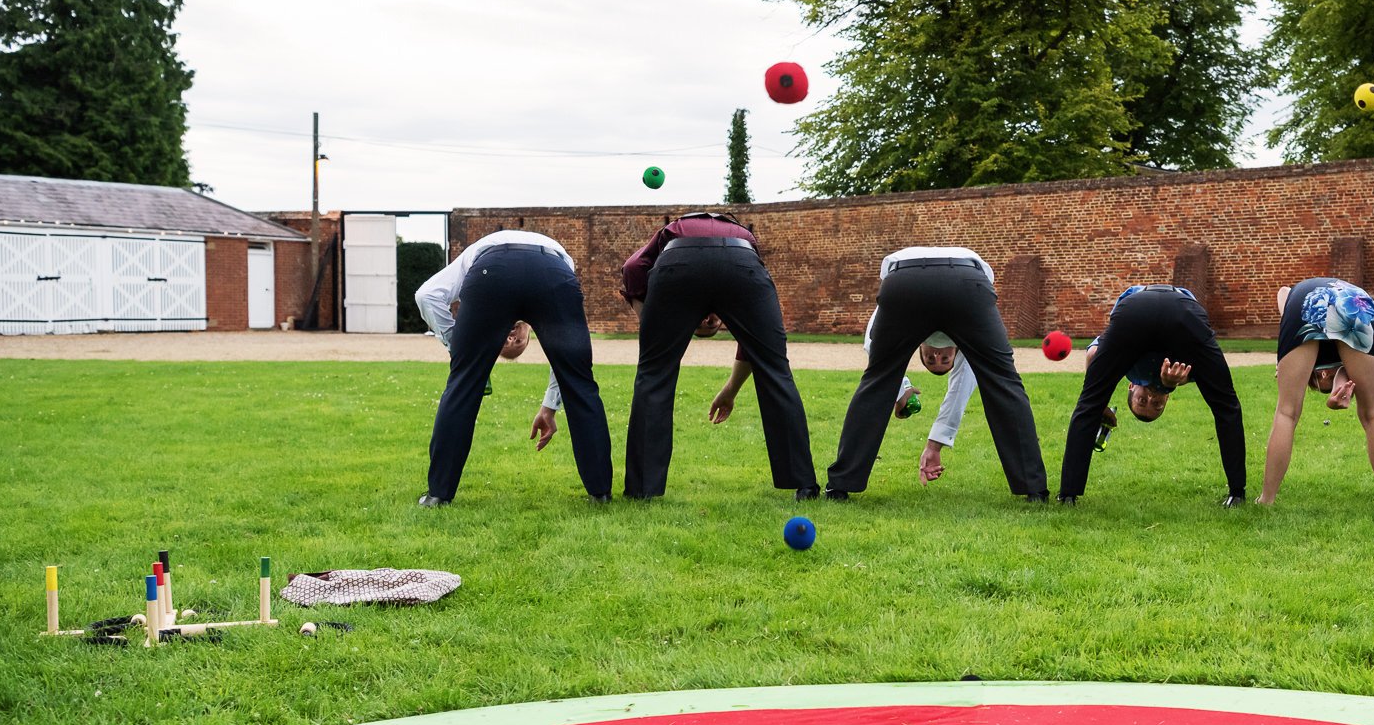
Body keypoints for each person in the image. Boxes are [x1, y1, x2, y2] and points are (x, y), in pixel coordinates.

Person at [618, 211, 819, 500]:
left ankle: (641, 489)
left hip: (680, 260)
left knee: (654, 373)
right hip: (740, 259)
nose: (709, 319)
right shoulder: (743, 236)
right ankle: (805, 485)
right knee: (775, 368)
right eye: (708, 323)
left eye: (707, 323)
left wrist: (648, 320)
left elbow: (633, 266)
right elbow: (757, 344)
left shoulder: (677, 228)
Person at [822, 246, 1049, 500]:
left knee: (876, 381)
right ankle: (1035, 488)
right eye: (935, 358)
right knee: (1004, 381)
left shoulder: (963, 349)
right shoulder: (965, 336)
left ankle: (840, 485)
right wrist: (902, 388)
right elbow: (873, 348)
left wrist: (934, 440)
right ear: (918, 348)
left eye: (939, 359)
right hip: (966, 283)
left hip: (906, 281)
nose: (937, 356)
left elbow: (877, 354)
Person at [413, 229, 611, 506]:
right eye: (514, 343)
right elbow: (566, 364)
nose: (511, 338)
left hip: (492, 271)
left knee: (463, 385)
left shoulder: (478, 250)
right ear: (528, 333)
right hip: (551, 270)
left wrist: (457, 347)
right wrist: (549, 406)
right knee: (579, 382)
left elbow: (426, 296)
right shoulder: (561, 259)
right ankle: (600, 493)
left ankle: (438, 495)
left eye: (511, 343)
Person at [1057, 284, 1246, 505]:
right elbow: (1197, 372)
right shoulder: (1173, 375)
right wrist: (1172, 383)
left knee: (1087, 405)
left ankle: (1068, 494)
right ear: (1167, 398)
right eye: (1156, 404)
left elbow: (1094, 352)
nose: (1150, 397)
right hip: (1182, 312)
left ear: (1131, 387)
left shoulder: (1129, 370)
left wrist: (1099, 404)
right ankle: (1237, 493)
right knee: (1226, 404)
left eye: (1142, 401)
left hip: (1137, 309)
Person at [1257, 278, 1374, 505]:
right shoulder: (1336, 368)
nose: (1331, 380)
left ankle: (1266, 499)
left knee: (1286, 413)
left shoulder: (1333, 368)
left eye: (1328, 384)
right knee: (1373, 414)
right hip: (1355, 297)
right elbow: (1282, 292)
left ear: (1320, 375)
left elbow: (1284, 291)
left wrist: (1284, 355)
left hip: (1307, 297)